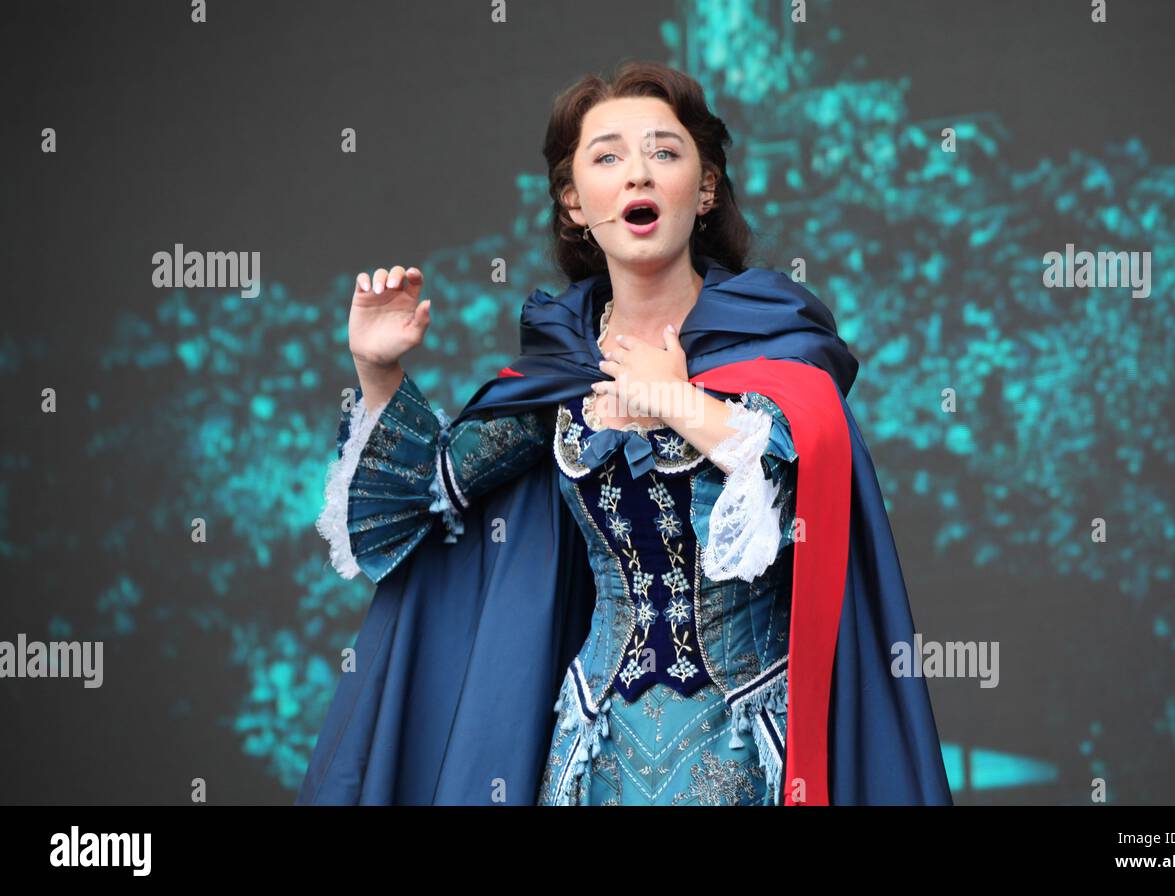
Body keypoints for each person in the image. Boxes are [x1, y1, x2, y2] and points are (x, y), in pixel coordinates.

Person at [299, 60, 952, 806]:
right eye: (607, 157)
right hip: (591, 754)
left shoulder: (774, 339)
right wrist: (377, 373)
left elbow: (805, 470)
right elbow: (422, 503)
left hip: (747, 756)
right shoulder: (563, 371)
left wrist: (677, 400)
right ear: (576, 202)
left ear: (704, 189)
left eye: (665, 153)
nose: (637, 173)